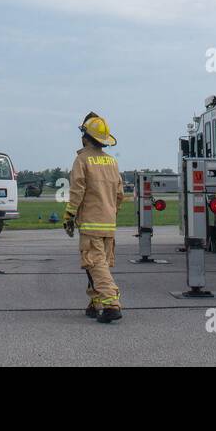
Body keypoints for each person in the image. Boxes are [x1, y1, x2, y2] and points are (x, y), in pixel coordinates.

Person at [64, 113, 125, 323]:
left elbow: (77, 191)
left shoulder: (82, 160)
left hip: (90, 223)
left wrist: (70, 214)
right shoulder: (111, 161)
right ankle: (96, 303)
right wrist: (110, 212)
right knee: (100, 265)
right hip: (109, 223)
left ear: (85, 137)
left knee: (95, 264)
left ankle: (111, 303)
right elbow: (119, 195)